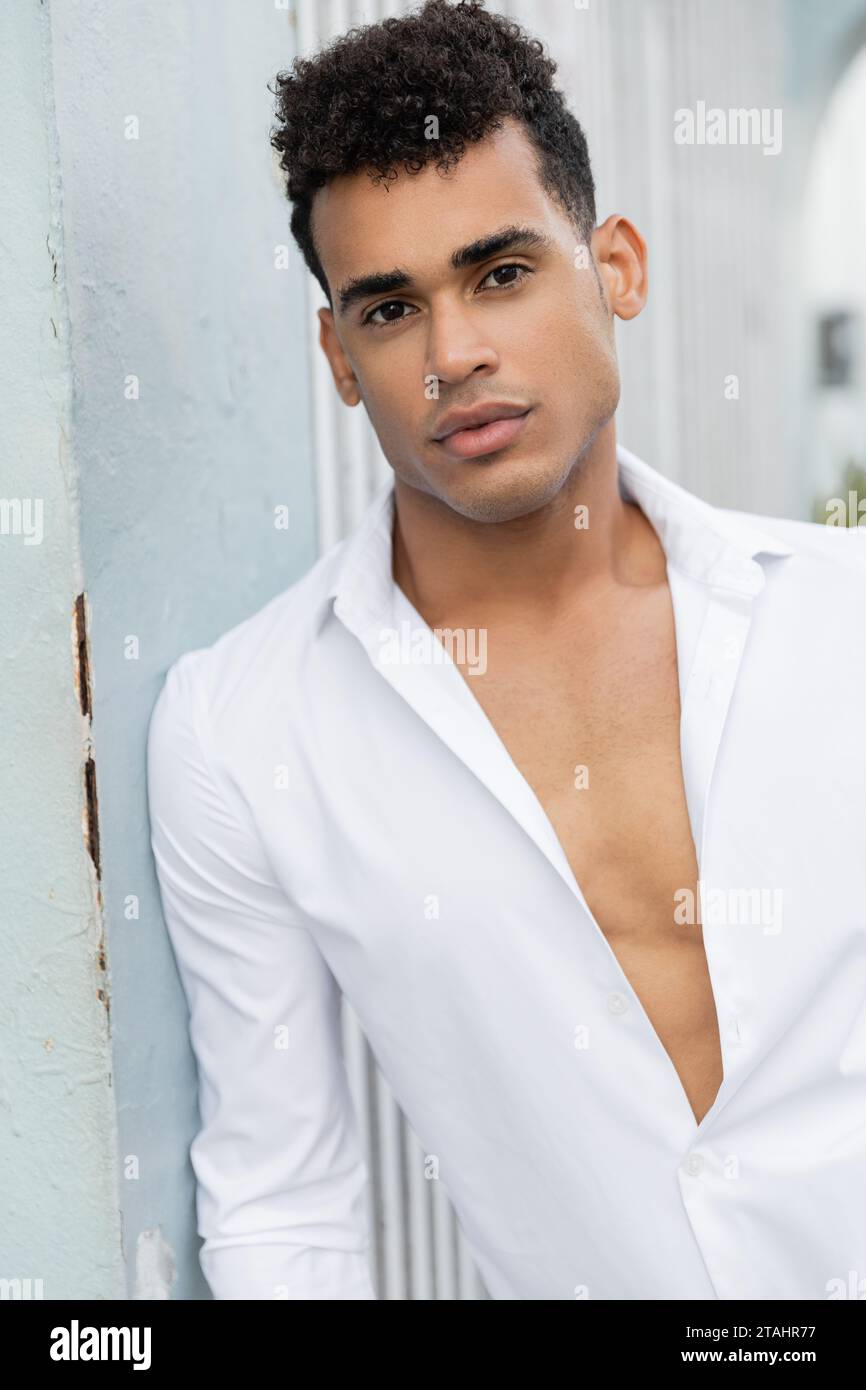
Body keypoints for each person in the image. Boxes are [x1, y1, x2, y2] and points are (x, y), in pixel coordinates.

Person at [146, 0, 866, 1300]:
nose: (453, 354)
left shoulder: (841, 616)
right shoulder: (242, 733)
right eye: (387, 308)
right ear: (338, 357)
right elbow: (280, 1207)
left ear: (618, 269)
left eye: (500, 272)